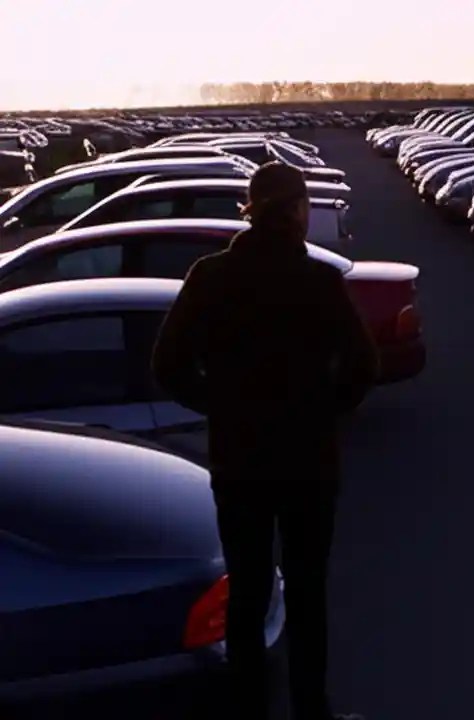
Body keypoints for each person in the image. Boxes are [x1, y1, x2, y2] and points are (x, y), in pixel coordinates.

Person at [153, 161, 379, 720]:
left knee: (247, 598)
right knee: (306, 596)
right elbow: (363, 365)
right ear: (298, 210)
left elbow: (168, 365)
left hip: (240, 465)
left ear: (250, 211)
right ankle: (310, 710)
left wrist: (221, 406)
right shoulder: (319, 282)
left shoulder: (209, 277)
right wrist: (322, 409)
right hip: (309, 467)